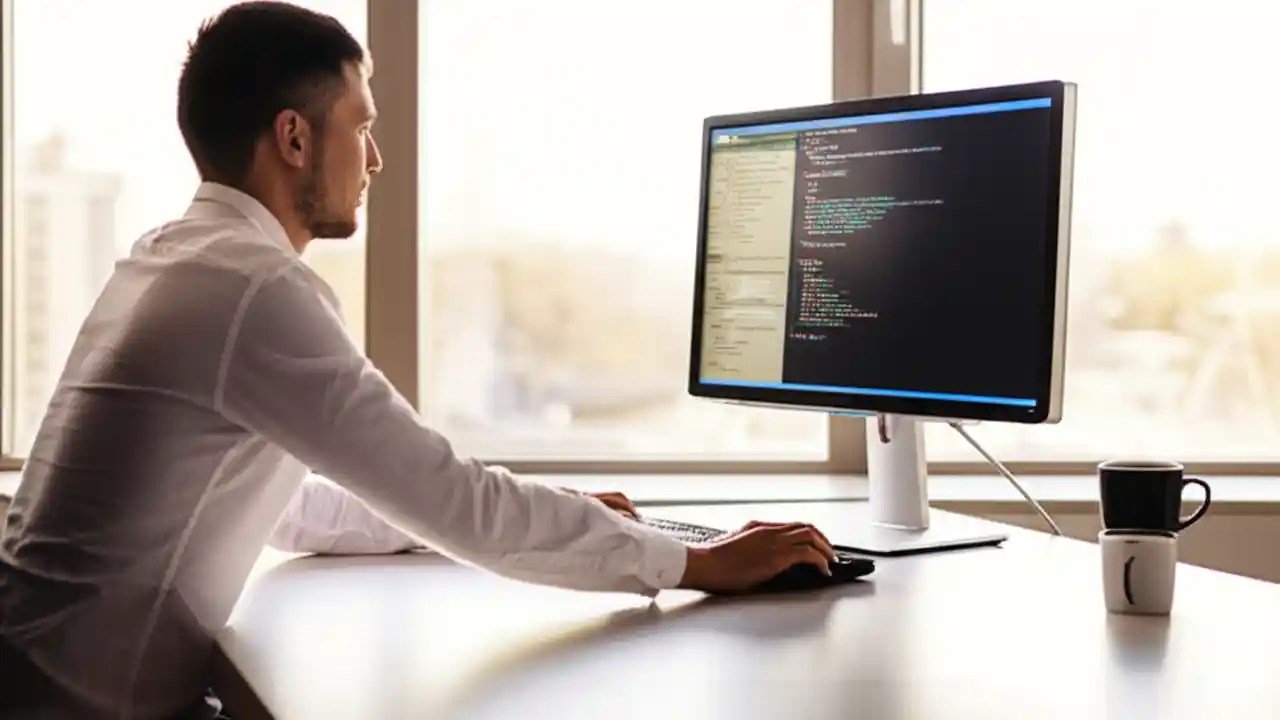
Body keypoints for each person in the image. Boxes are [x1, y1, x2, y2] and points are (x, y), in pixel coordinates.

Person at [0, 2, 835, 717]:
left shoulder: (172, 259)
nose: (375, 161)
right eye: (361, 126)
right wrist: (694, 562)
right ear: (293, 137)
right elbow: (450, 499)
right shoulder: (248, 289)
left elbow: (295, 506)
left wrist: (571, 512)